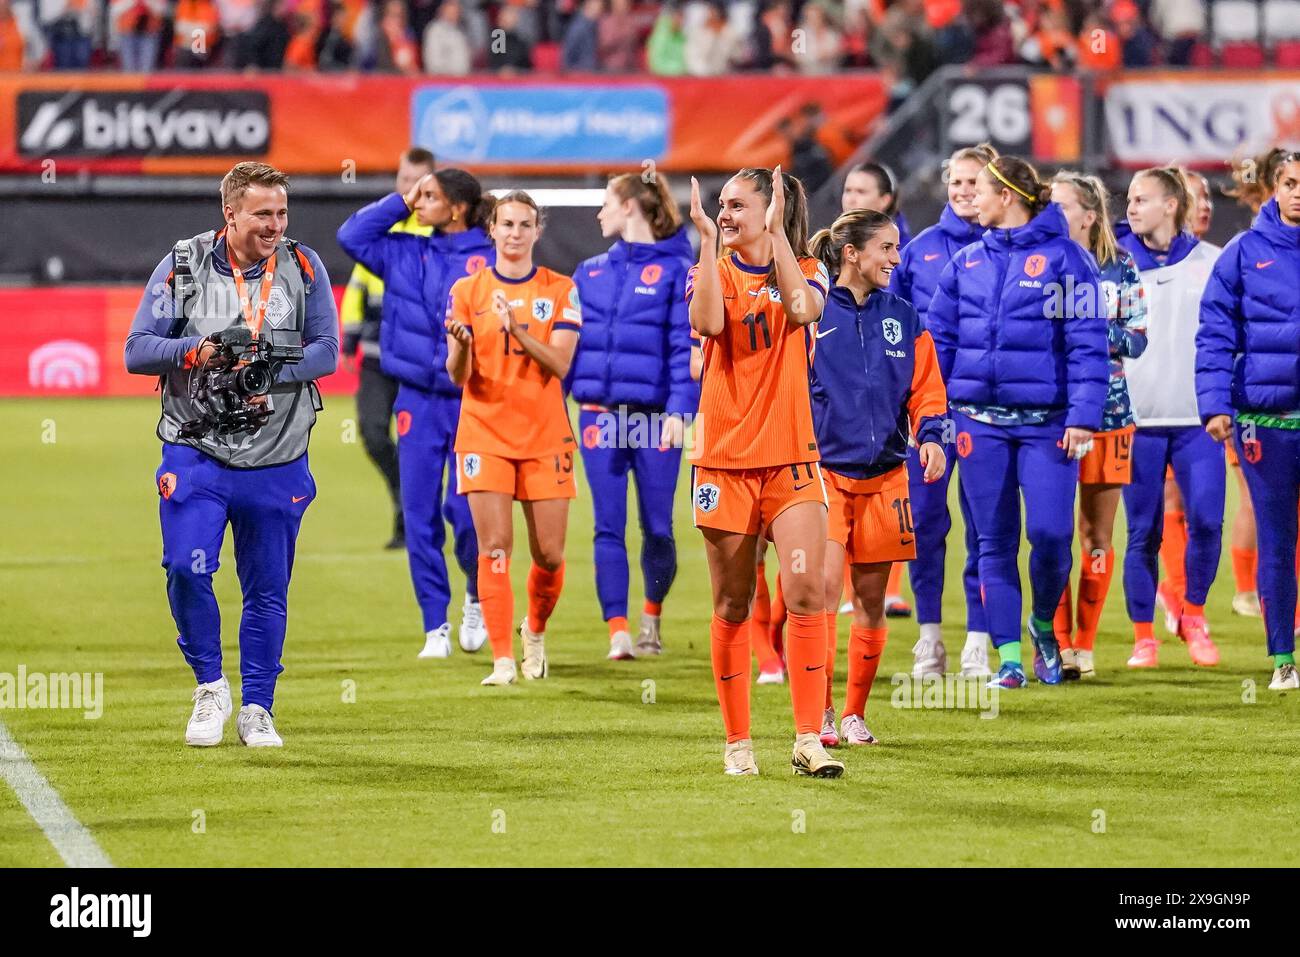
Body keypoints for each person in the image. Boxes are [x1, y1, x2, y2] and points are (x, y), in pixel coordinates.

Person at [124, 162, 339, 747]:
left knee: (268, 587)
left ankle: (258, 707)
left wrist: (271, 368)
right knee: (184, 567)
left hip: (278, 456)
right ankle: (210, 686)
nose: (275, 225)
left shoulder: (302, 265)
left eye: (282, 213)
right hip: (197, 450)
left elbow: (328, 350)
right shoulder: (184, 265)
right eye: (262, 214)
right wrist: (201, 351)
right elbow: (138, 350)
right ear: (231, 213)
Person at [928, 154, 1108, 688]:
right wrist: (931, 412)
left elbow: (1087, 345)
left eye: (980, 190)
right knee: (993, 540)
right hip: (976, 422)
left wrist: (1083, 416)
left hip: (1049, 425)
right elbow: (938, 342)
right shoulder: (966, 263)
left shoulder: (1068, 261)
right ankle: (1009, 657)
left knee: (1052, 535)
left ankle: (1042, 626)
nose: (970, 200)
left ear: (1007, 196)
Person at [686, 166, 842, 777]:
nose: (724, 213)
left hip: (792, 459)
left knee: (807, 591)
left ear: (769, 210)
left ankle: (808, 739)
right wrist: (705, 241)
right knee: (733, 601)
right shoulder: (711, 272)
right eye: (721, 204)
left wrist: (777, 237)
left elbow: (802, 311)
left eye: (735, 205)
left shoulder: (805, 267)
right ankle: (737, 742)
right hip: (724, 461)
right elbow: (708, 325)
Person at [337, 167, 492, 659]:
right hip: (416, 401)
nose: (418, 202)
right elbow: (350, 235)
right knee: (421, 512)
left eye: (430, 196)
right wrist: (402, 201)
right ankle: (434, 626)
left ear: (458, 207)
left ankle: (474, 596)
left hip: (473, 400)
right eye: (417, 196)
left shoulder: (489, 258)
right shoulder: (404, 250)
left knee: (465, 517)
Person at [809, 209, 947, 745]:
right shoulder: (815, 315)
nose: (896, 258)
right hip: (822, 476)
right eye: (886, 248)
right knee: (819, 596)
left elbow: (927, 389)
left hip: (887, 477)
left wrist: (931, 436)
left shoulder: (906, 317)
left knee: (870, 600)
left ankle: (853, 713)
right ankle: (817, 712)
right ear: (852, 253)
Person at [445, 191, 582, 687]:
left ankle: (536, 630)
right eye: (507, 224)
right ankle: (502, 659)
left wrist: (518, 331)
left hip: (546, 436)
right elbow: (457, 376)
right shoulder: (467, 290)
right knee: (495, 546)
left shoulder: (561, 288)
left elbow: (561, 364)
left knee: (549, 554)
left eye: (525, 224)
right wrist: (461, 347)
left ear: (537, 232)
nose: (515, 233)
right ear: (493, 230)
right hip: (483, 433)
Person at [571, 173, 698, 660]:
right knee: (607, 526)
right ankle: (618, 632)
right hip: (598, 418)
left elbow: (683, 347)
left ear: (629, 207)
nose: (600, 213)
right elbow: (572, 347)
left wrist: (680, 411)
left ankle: (652, 617)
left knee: (658, 528)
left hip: (653, 420)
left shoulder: (677, 269)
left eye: (606, 203)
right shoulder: (590, 272)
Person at [890, 142, 994, 678]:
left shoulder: (1009, 249)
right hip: (927, 410)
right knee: (926, 522)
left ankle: (979, 638)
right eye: (956, 182)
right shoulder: (921, 250)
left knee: (984, 527)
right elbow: (894, 328)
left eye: (974, 182)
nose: (963, 191)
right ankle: (929, 637)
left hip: (984, 410)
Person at [1197, 152, 1300, 691]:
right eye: (1291, 183)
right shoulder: (1243, 254)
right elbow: (1215, 334)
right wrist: (1214, 404)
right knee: (1279, 542)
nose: (1298, 192)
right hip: (1268, 420)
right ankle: (1283, 657)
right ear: (1274, 188)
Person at [1118, 166, 1223, 668]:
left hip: (1196, 420)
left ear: (1171, 205)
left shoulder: (1212, 263)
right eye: (1130, 199)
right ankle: (1144, 637)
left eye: (1141, 199)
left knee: (1207, 520)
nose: (1131, 208)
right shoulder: (1114, 264)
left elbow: (1227, 342)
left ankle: (1195, 616)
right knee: (1143, 530)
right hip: (1137, 421)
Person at [1049, 172, 1147, 679]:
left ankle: (1083, 645)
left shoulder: (1120, 266)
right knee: (1052, 531)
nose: (1052, 213)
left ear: (1088, 215)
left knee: (1097, 535)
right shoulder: (1040, 265)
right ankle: (1059, 643)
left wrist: (1088, 325)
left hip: (1110, 416)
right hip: (1053, 415)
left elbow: (1137, 340)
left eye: (1061, 206)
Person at [339, 148, 436, 551]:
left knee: (421, 446)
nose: (408, 188)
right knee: (374, 433)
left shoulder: (439, 232)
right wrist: (349, 338)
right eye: (403, 180)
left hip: (421, 359)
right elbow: (358, 284)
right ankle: (404, 496)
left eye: (418, 181)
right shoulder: (383, 226)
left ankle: (413, 522)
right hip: (379, 355)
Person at [839, 159, 913, 618]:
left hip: (887, 414)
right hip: (833, 437)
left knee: (891, 498)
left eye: (862, 191)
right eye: (847, 190)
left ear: (885, 200)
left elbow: (910, 334)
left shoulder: (900, 261)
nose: (851, 198)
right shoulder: (826, 273)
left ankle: (887, 589)